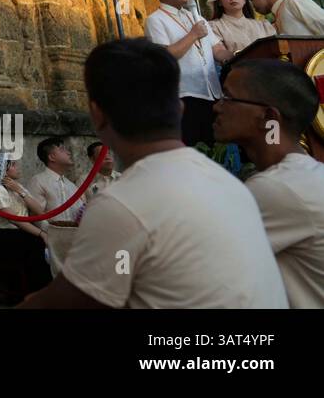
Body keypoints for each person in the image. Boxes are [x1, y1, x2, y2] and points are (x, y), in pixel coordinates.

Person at [20, 38, 287, 308]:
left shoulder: (122, 204)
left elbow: (64, 302)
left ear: (97, 115)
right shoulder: (230, 184)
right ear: (180, 108)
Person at [213, 59, 324, 308]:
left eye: (228, 98)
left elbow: (195, 272)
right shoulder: (304, 175)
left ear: (270, 118)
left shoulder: (278, 189)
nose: (217, 107)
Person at [143, 0, 224, 146]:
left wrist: (237, 53)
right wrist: (193, 35)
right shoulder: (155, 19)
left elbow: (217, 50)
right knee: (195, 146)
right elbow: (164, 57)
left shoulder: (195, 16)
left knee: (217, 147)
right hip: (186, 93)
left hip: (212, 91)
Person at [0, 152, 50, 303]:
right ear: (4, 168)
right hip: (5, 237)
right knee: (39, 245)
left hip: (22, 233)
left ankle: (45, 293)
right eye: (14, 165)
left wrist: (21, 191)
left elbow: (39, 212)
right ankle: (37, 297)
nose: (18, 168)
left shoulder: (17, 187)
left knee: (47, 246)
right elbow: (14, 219)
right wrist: (41, 233)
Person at [28, 136, 85, 273]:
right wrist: (56, 237)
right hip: (51, 241)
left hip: (75, 241)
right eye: (62, 149)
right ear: (52, 156)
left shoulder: (72, 186)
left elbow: (80, 213)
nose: (69, 152)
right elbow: (37, 216)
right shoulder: (38, 181)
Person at [207, 0, 275, 64]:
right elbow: (219, 52)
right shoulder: (214, 26)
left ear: (245, 0)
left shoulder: (263, 25)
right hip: (238, 71)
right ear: (219, 2)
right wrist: (238, 56)